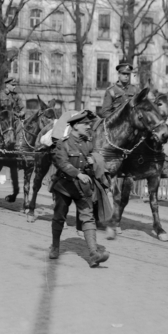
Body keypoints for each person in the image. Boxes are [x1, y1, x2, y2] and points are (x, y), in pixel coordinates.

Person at [48, 110, 110, 267]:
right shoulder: (63, 143)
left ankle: (94, 254)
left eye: (89, 123)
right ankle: (55, 246)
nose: (88, 126)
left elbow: (96, 155)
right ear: (75, 126)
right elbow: (61, 163)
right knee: (59, 217)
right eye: (85, 124)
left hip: (83, 188)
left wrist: (93, 160)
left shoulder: (87, 143)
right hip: (64, 186)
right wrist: (77, 174)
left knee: (88, 218)